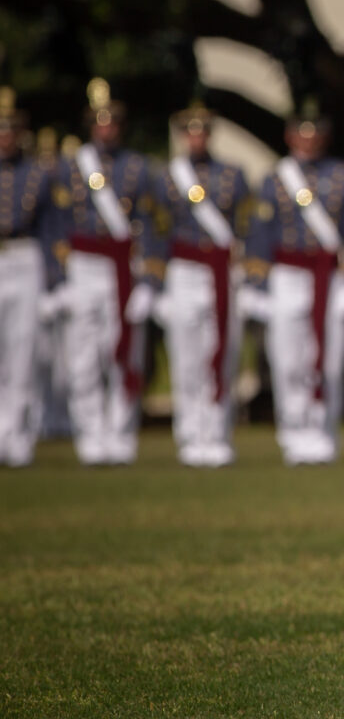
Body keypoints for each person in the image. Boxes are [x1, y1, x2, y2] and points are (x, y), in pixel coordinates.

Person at [246, 98, 344, 465]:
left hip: (331, 277)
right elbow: (260, 235)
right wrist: (257, 286)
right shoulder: (274, 179)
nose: (308, 139)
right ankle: (294, 434)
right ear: (290, 135)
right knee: (288, 361)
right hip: (288, 275)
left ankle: (325, 432)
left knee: (331, 361)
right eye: (302, 132)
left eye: (315, 132)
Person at [143, 104, 253, 467]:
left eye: (202, 131)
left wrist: (249, 275)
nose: (196, 137)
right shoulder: (167, 178)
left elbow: (246, 226)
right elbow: (156, 230)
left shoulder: (233, 175)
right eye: (190, 131)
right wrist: (155, 284)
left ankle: (218, 433)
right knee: (186, 359)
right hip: (184, 271)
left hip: (221, 273)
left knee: (222, 355)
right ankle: (191, 434)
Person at [53, 80, 152, 465]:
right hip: (83, 265)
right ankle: (90, 435)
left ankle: (121, 434)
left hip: (122, 268)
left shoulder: (137, 167)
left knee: (123, 352)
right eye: (100, 122)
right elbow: (57, 224)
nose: (106, 129)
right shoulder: (70, 167)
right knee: (83, 357)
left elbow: (149, 225)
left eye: (112, 122)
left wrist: (149, 280)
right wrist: (58, 279)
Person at [0, 90, 63, 466]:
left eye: (11, 130)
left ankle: (18, 437)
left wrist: (55, 281)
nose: (5, 136)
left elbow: (52, 230)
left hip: (24, 256)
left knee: (23, 353)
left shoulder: (37, 175)